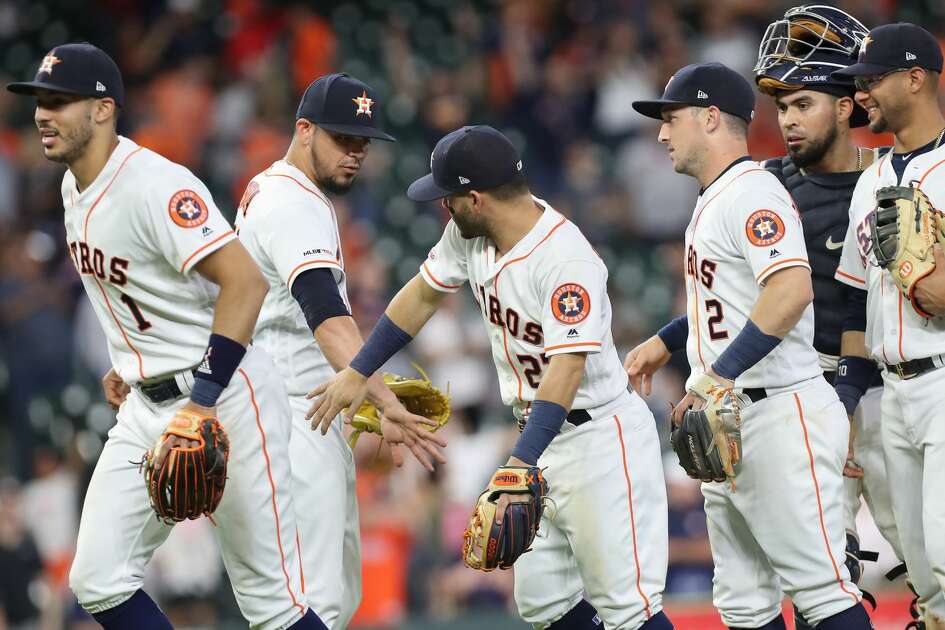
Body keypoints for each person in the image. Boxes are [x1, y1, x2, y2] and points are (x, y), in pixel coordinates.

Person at [7, 43, 326, 629]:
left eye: (59, 101)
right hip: (147, 404)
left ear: (103, 109)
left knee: (271, 606)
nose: (42, 114)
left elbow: (244, 284)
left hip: (224, 397)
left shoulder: (155, 185)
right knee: (96, 580)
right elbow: (133, 286)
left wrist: (201, 401)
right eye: (39, 102)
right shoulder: (72, 187)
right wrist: (129, 357)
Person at [310, 125, 674, 629]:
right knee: (544, 602)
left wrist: (519, 462)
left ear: (476, 198)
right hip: (541, 437)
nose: (444, 208)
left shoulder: (565, 259)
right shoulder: (468, 235)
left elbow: (567, 369)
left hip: (600, 441)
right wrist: (359, 368)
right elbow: (419, 297)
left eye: (449, 198)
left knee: (628, 608)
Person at [626, 62, 872, 629]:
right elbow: (734, 302)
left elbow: (790, 290)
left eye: (672, 119)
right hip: (733, 419)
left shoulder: (754, 192)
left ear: (711, 118)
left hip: (778, 412)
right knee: (743, 602)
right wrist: (669, 341)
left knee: (823, 592)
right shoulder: (720, 195)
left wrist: (717, 376)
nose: (662, 134)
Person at [234, 72, 446, 629]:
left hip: (302, 411)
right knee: (314, 601)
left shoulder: (275, 189)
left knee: (334, 595)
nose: (356, 153)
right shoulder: (292, 204)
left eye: (363, 142)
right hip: (295, 416)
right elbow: (328, 320)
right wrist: (382, 398)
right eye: (342, 139)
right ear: (303, 130)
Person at [754, 5, 910, 626]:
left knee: (931, 563)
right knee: (824, 578)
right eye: (780, 106)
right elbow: (743, 300)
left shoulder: (897, 175)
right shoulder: (763, 185)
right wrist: (666, 339)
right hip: (804, 393)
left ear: (846, 106)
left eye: (802, 104)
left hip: (897, 387)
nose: (786, 121)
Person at [833, 22, 945, 630]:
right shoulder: (872, 180)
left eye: (873, 79)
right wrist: (846, 400)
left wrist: (931, 286)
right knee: (925, 576)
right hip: (892, 391)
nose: (863, 92)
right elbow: (854, 303)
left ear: (916, 77)